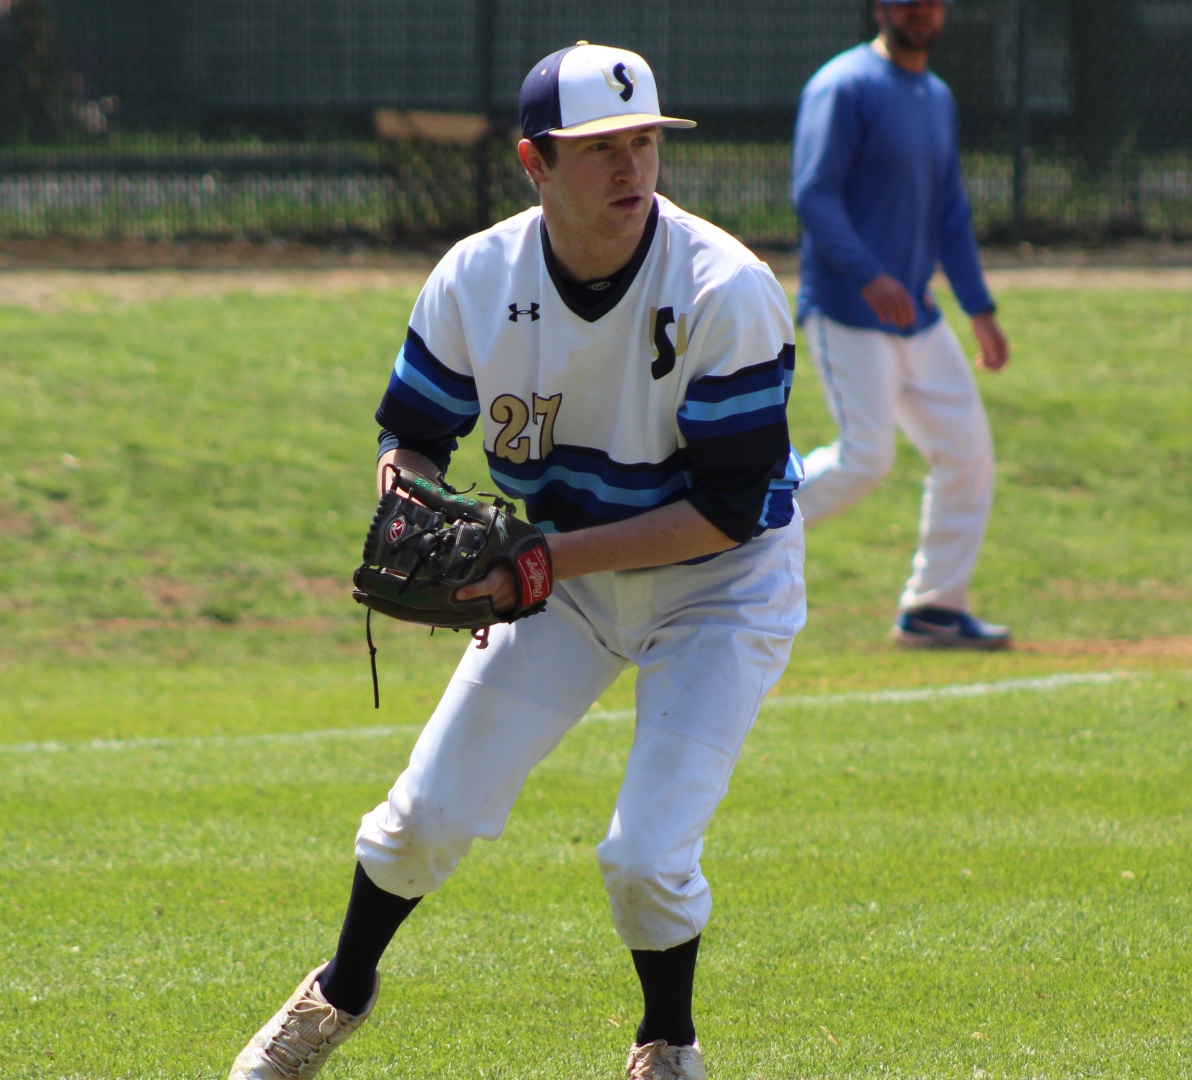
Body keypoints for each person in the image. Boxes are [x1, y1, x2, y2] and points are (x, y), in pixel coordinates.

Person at [225, 41, 804, 1080]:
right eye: (597, 149)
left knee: (644, 857)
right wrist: (406, 504)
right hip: (562, 584)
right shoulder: (477, 278)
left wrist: (538, 567)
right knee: (419, 821)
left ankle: (667, 1046)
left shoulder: (726, 289)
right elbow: (410, 434)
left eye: (642, 143)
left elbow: (724, 512)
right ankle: (333, 998)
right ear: (534, 164)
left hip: (718, 586)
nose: (630, 168)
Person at [791, 0, 1013, 649]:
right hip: (849, 309)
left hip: (915, 315)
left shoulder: (936, 96)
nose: (921, 12)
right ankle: (728, 526)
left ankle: (934, 608)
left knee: (968, 451)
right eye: (906, 1)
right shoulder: (843, 85)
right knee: (867, 457)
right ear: (881, 7)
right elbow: (814, 193)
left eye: (932, 3)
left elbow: (949, 208)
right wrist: (868, 273)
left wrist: (981, 309)